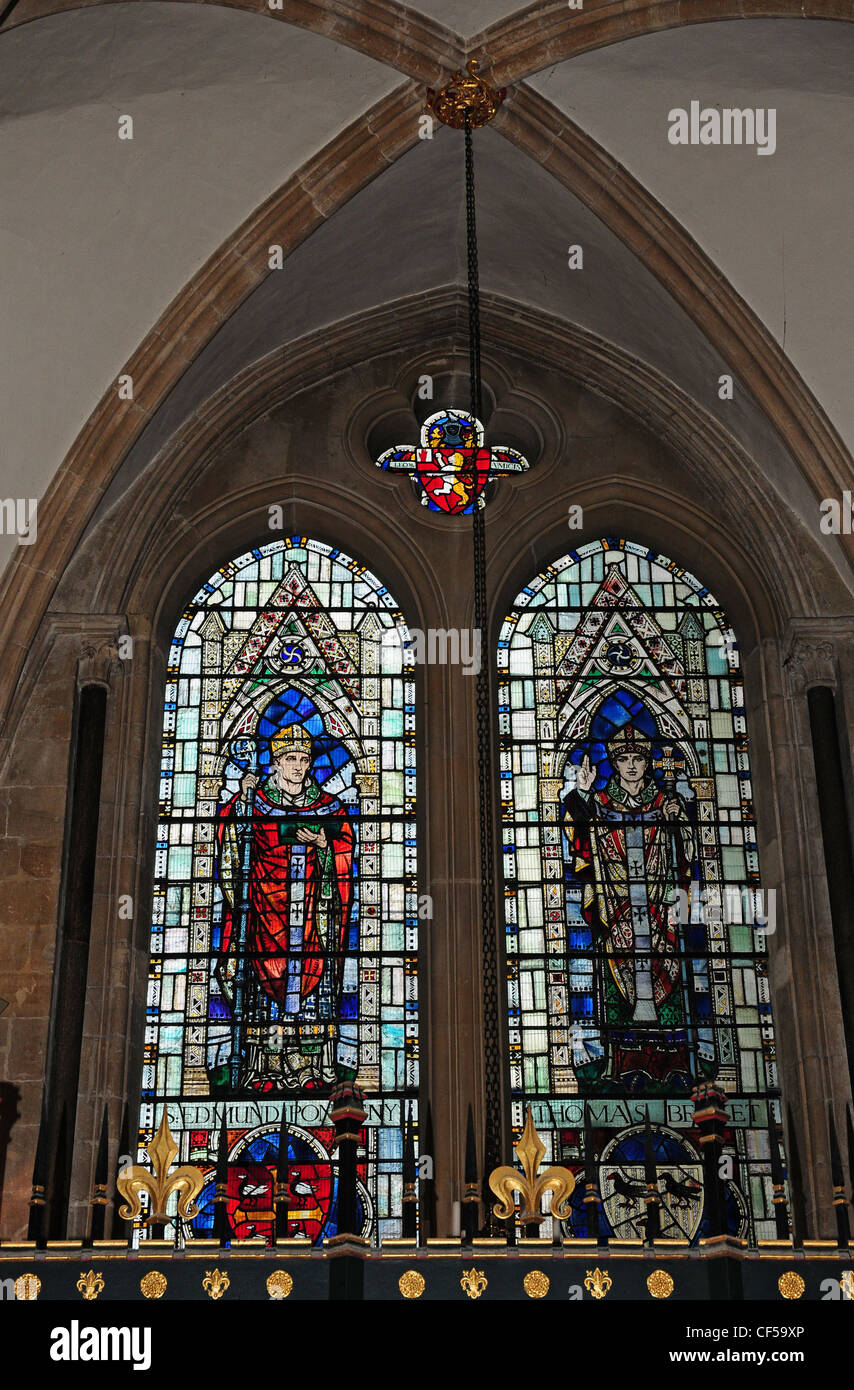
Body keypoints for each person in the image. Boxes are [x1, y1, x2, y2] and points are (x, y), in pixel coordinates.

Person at [214, 722, 355, 1091]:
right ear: (275, 763)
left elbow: (344, 845)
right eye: (290, 758)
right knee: (266, 993)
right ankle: (267, 1067)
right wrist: (240, 802)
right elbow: (232, 836)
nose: (298, 765)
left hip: (312, 915)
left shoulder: (328, 806)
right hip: (266, 911)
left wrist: (325, 843)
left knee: (310, 990)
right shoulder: (255, 802)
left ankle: (309, 1066)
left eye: (304, 759)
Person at [562, 723, 698, 1092]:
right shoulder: (603, 805)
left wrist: (677, 819)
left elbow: (685, 851)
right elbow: (583, 839)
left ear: (647, 762)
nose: (632, 766)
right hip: (617, 905)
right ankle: (627, 1061)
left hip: (658, 905)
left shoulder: (663, 801)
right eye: (624, 760)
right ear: (616, 764)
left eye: (638, 758)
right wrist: (583, 796)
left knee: (667, 979)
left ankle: (672, 1061)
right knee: (619, 984)